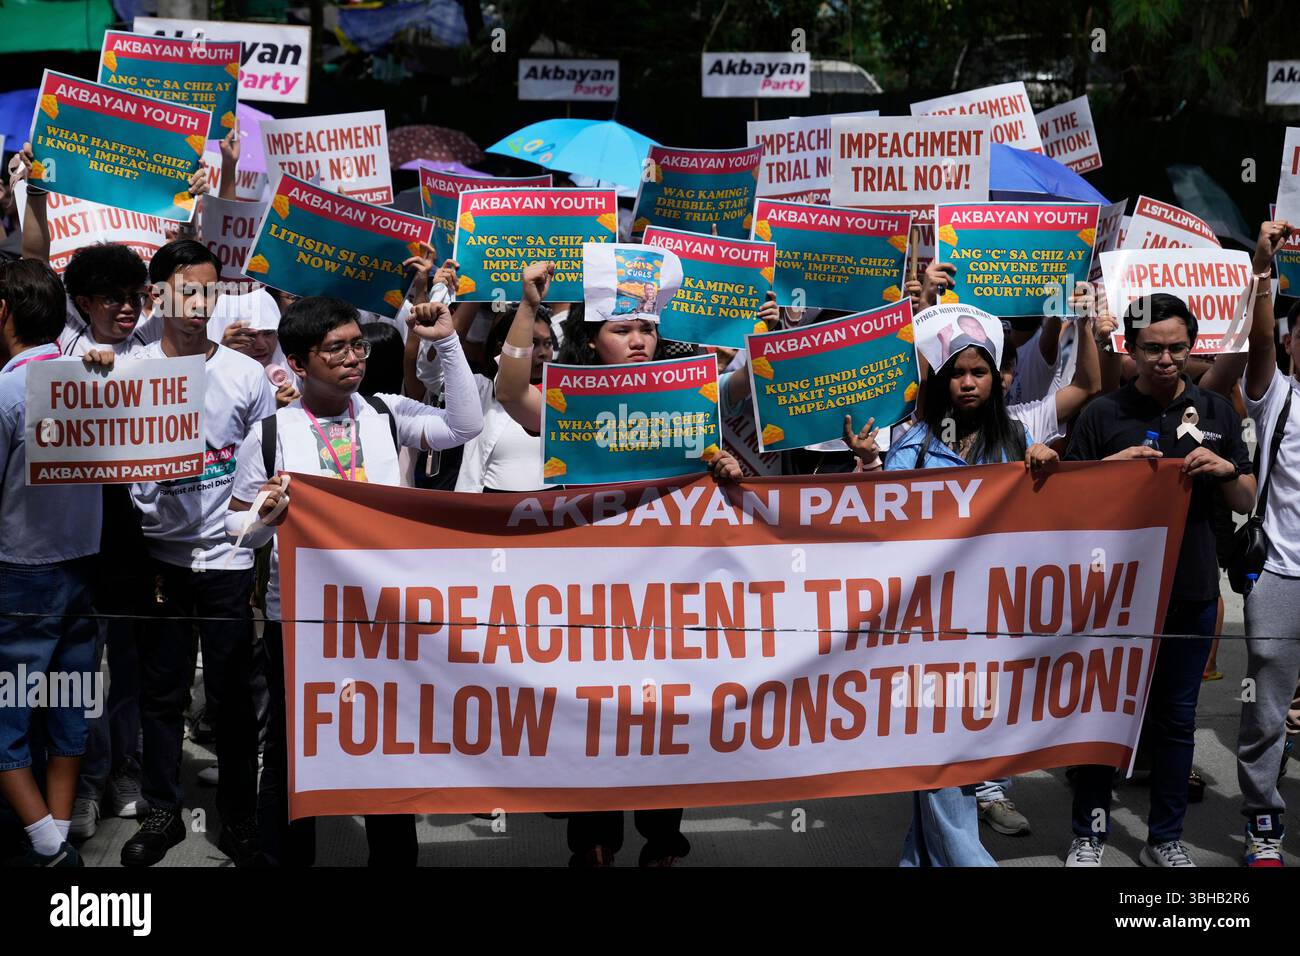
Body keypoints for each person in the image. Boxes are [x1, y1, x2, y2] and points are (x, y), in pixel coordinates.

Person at [494, 261, 764, 866]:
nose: (638, 339)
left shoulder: (689, 396)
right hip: (590, 596)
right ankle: (594, 841)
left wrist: (722, 464)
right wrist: (529, 308)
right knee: (597, 717)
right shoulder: (568, 402)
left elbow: (742, 385)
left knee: (668, 714)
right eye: (621, 329)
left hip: (671, 593)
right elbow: (510, 393)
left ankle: (662, 841)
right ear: (592, 340)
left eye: (646, 328)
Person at [226, 295, 482, 866]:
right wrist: (265, 516)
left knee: (388, 745)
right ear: (298, 363)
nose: (353, 359)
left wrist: (446, 341)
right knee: (293, 749)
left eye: (357, 346)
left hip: (384, 617)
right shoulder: (269, 434)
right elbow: (235, 529)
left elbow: (466, 424)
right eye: (335, 349)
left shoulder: (386, 414)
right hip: (302, 620)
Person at [1062, 293, 1255, 867]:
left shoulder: (1216, 411)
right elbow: (1068, 508)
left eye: (1177, 347)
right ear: (1130, 347)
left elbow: (1246, 498)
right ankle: (1090, 834)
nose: (1166, 359)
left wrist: (1226, 471)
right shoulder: (1102, 414)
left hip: (1190, 591)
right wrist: (1105, 473)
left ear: (1192, 346)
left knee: (1177, 723)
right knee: (1101, 717)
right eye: (1152, 348)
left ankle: (1164, 838)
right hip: (1114, 596)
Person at [119, 240, 277, 867]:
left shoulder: (247, 375)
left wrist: (257, 523)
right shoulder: (126, 372)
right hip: (158, 558)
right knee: (161, 693)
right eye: (187, 289)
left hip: (228, 560)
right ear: (156, 295)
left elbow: (263, 470)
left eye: (210, 289)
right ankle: (162, 812)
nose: (199, 302)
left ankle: (239, 819)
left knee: (233, 696)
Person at [0, 259, 103, 865]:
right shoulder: (90, 382)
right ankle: (57, 834)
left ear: (4, 312)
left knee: (7, 713)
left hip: (21, 573)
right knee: (70, 700)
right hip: (83, 566)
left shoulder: (9, 392)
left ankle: (50, 849)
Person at [1232, 221, 1300, 866]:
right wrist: (1262, 271)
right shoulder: (1277, 397)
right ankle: (1263, 822)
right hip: (1280, 575)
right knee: (1266, 709)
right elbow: (1258, 340)